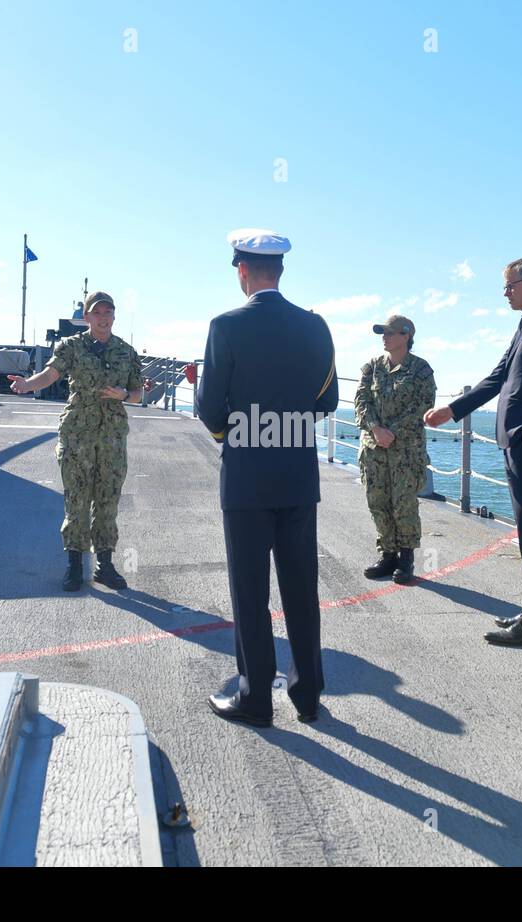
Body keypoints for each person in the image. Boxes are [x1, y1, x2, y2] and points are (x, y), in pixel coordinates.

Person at [196, 228, 338, 728]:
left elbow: (211, 408)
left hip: (248, 478)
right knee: (302, 587)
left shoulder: (226, 326)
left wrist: (233, 431)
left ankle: (256, 697)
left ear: (242, 271)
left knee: (250, 592)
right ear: (279, 271)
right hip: (298, 473)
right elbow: (327, 401)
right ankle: (308, 695)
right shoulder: (315, 327)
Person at [424, 257, 522, 646]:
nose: (504, 292)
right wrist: (452, 410)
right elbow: (497, 378)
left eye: (510, 285)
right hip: (518, 441)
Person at [11, 291, 142, 592]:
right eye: (97, 312)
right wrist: (27, 385)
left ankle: (104, 566)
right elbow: (51, 373)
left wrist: (124, 395)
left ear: (114, 316)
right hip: (77, 434)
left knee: (108, 499)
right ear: (87, 317)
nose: (104, 317)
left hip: (111, 436)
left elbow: (137, 393)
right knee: (77, 499)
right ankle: (73, 565)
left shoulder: (126, 351)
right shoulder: (71, 347)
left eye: (108, 312)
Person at [354, 315, 436, 584]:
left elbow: (423, 406)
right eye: (383, 333)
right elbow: (362, 401)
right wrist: (376, 429)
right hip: (374, 449)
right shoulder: (372, 367)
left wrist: (393, 432)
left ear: (406, 336)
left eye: (390, 333)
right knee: (377, 502)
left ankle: (406, 558)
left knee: (404, 504)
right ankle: (387, 555)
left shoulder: (421, 370)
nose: (384, 337)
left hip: (405, 451)